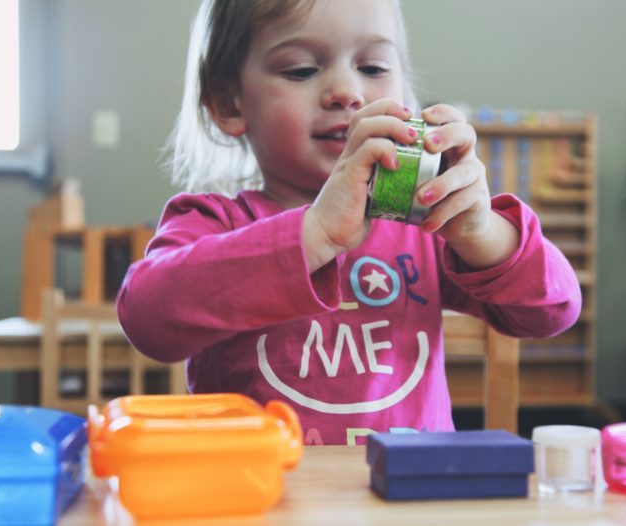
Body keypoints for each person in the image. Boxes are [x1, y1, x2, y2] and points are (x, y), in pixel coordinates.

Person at [117, 0, 582, 445]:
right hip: (264, 499)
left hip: (407, 497)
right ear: (229, 103)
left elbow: (554, 310)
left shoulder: (420, 223)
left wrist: (483, 234)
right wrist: (313, 234)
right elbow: (146, 317)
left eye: (374, 68)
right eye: (301, 69)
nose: (347, 91)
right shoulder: (214, 222)